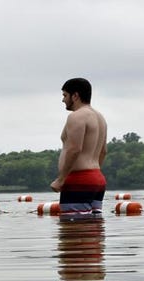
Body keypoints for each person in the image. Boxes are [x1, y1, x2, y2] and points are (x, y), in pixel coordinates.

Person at [50, 77, 108, 219]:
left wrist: (61, 179)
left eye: (65, 95)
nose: (63, 100)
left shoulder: (76, 117)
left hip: (78, 179)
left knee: (73, 235)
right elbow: (103, 151)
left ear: (75, 95)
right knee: (94, 234)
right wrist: (93, 176)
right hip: (97, 178)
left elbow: (74, 149)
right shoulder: (100, 117)